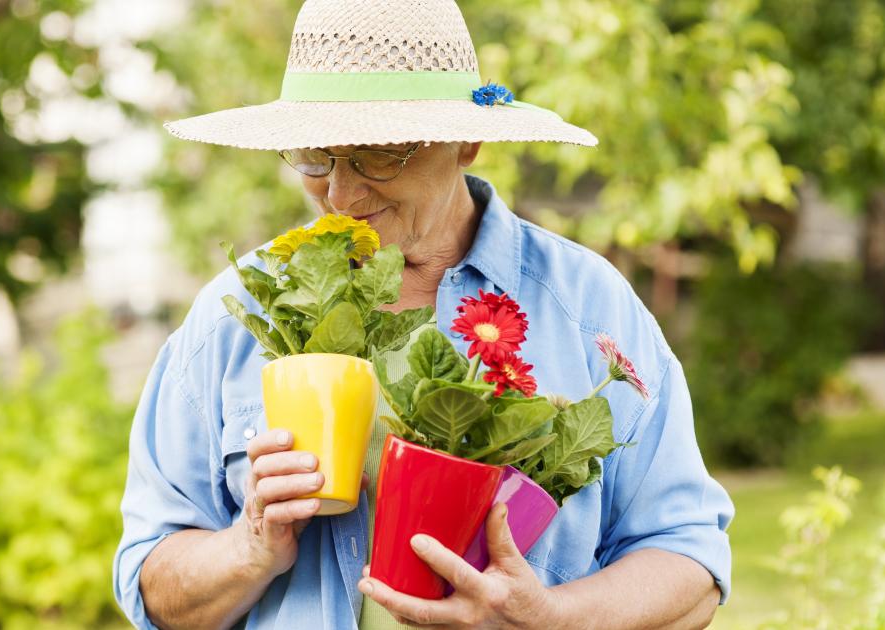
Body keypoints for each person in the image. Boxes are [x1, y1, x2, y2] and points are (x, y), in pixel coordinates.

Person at [114, 0, 734, 628]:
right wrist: (247, 550)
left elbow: (689, 561)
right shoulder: (240, 314)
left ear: (469, 139)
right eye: (314, 156)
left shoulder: (586, 306)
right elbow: (151, 583)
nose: (340, 194)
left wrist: (547, 618)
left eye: (379, 154)